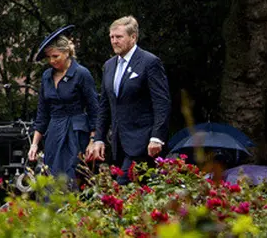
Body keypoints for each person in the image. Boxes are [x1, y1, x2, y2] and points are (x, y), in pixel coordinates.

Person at [88, 16, 170, 177]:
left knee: (122, 188)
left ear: (133, 37)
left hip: (143, 142)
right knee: (133, 195)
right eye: (111, 37)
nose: (114, 41)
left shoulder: (149, 62)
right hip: (118, 144)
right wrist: (98, 139)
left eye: (119, 37)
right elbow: (105, 106)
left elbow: (162, 103)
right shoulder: (109, 66)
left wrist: (157, 137)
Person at [27, 25, 101, 189]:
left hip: (76, 133)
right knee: (51, 178)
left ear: (67, 52)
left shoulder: (82, 74)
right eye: (48, 57)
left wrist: (93, 140)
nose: (52, 61)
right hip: (53, 132)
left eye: (55, 56)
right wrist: (34, 144)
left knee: (72, 178)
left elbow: (94, 109)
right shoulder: (47, 76)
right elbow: (42, 112)